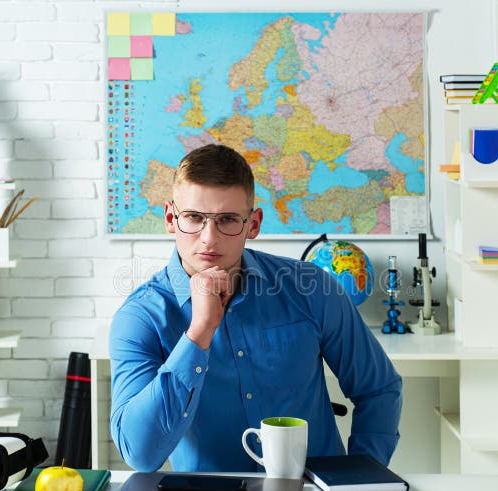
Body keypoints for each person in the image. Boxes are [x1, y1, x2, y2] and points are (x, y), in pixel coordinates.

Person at [109, 144, 402, 473]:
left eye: (228, 220)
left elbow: (378, 388)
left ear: (253, 224)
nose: (209, 238)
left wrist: (360, 476)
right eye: (193, 217)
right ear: (170, 219)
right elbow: (139, 454)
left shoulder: (311, 288)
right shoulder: (141, 317)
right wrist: (198, 333)